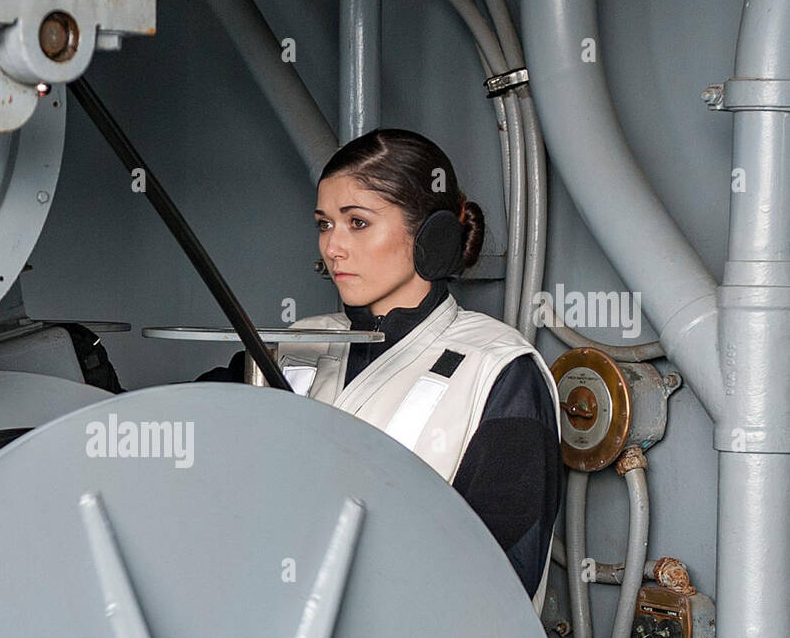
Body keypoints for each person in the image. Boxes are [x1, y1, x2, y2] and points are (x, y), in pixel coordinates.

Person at [199, 128, 562, 610]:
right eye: (324, 224)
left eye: (358, 223)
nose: (333, 248)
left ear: (432, 236)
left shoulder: (498, 372)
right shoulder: (292, 346)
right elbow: (186, 432)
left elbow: (496, 591)